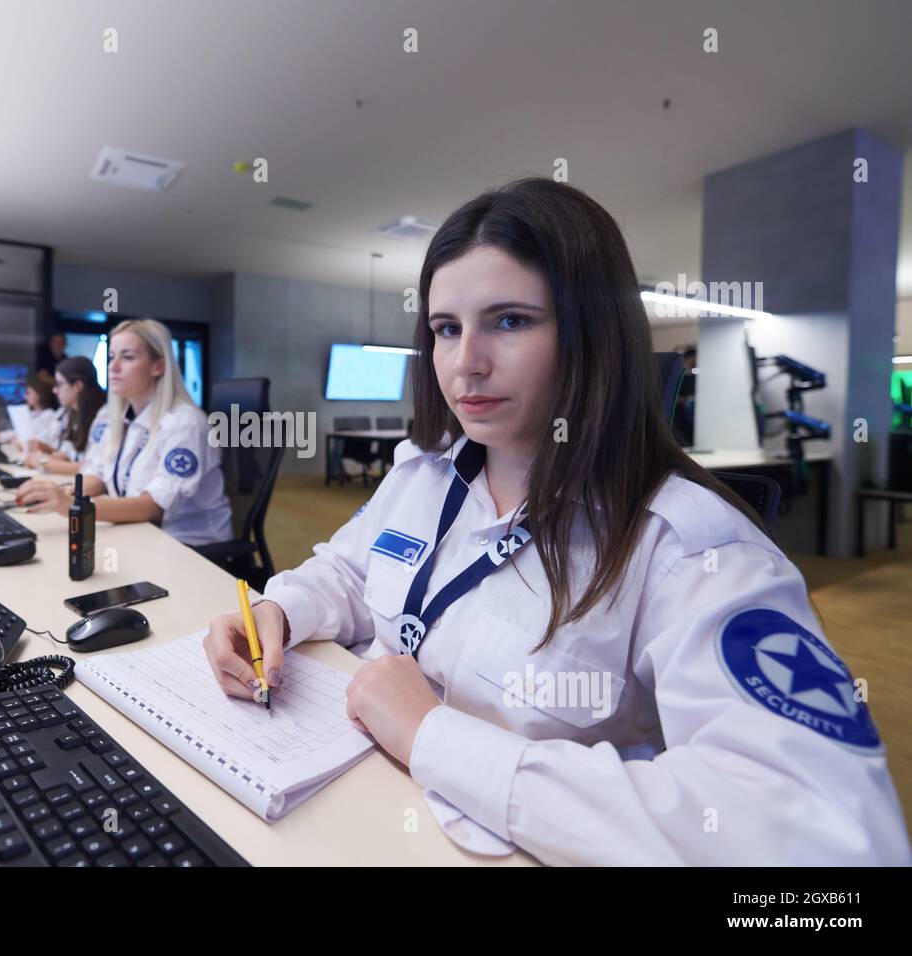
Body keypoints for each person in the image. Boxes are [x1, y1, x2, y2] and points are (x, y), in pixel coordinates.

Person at [202, 178, 910, 866]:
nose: (465, 364)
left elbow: (834, 839)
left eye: (510, 321)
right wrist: (281, 611)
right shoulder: (424, 473)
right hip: (346, 810)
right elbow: (351, 571)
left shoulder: (692, 547)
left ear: (592, 336)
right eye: (447, 328)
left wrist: (433, 736)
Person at [16, 319, 232, 547]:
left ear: (158, 366)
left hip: (190, 549)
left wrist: (71, 505)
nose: (113, 366)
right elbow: (98, 474)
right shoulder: (120, 418)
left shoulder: (185, 424)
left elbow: (153, 507)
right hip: (142, 536)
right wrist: (60, 493)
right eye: (111, 357)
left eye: (127, 357)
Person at [26, 356, 108, 475]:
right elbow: (69, 455)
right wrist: (45, 455)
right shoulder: (73, 414)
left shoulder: (104, 418)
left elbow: (90, 469)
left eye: (59, 384)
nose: (55, 390)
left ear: (78, 386)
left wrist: (43, 462)